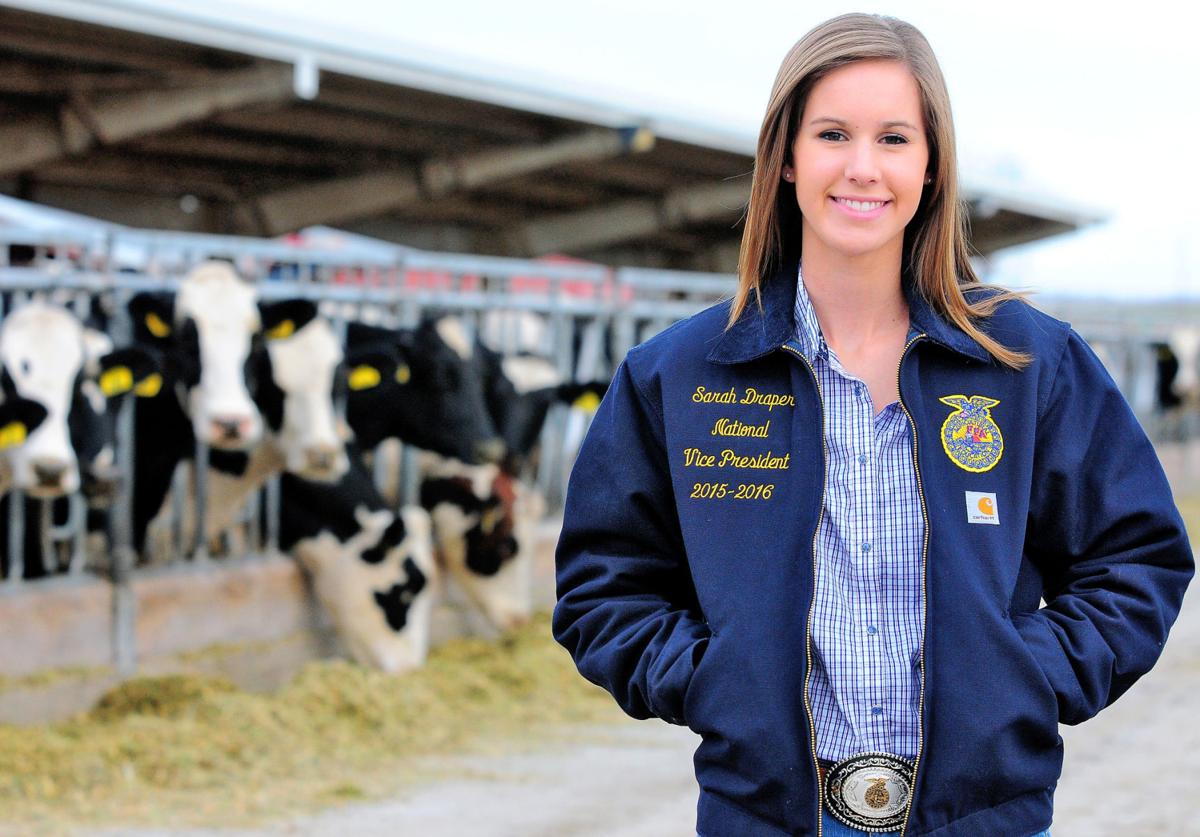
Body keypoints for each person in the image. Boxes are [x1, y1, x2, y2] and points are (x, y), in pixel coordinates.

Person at [552, 12, 1193, 837]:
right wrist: (712, 677)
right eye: (832, 134)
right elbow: (604, 582)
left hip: (981, 820)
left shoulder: (1027, 362)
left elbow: (1137, 555)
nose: (863, 167)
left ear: (931, 166)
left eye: (894, 138)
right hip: (768, 818)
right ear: (786, 157)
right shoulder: (681, 374)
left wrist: (1021, 674)